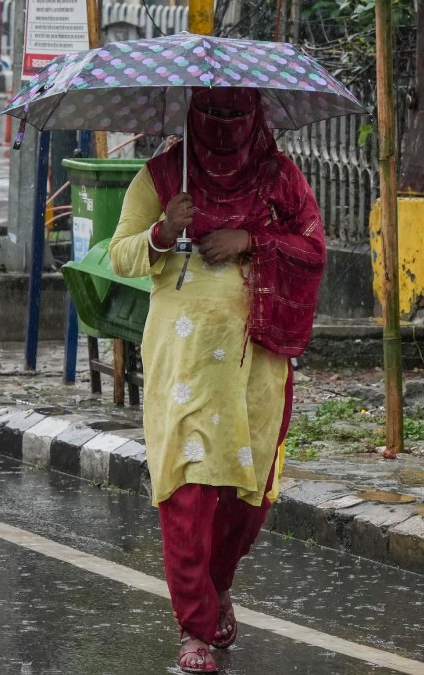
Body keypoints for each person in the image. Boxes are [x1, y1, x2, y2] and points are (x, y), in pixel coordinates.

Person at [108, 88, 326, 674]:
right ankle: (195, 628)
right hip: (184, 362)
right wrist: (161, 230)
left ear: (256, 116)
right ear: (190, 117)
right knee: (188, 491)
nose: (225, 128)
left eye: (237, 115)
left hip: (257, 362)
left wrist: (250, 240)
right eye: (213, 115)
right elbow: (118, 256)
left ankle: (218, 586)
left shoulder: (279, 176)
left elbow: (313, 245)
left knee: (246, 495)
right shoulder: (161, 175)